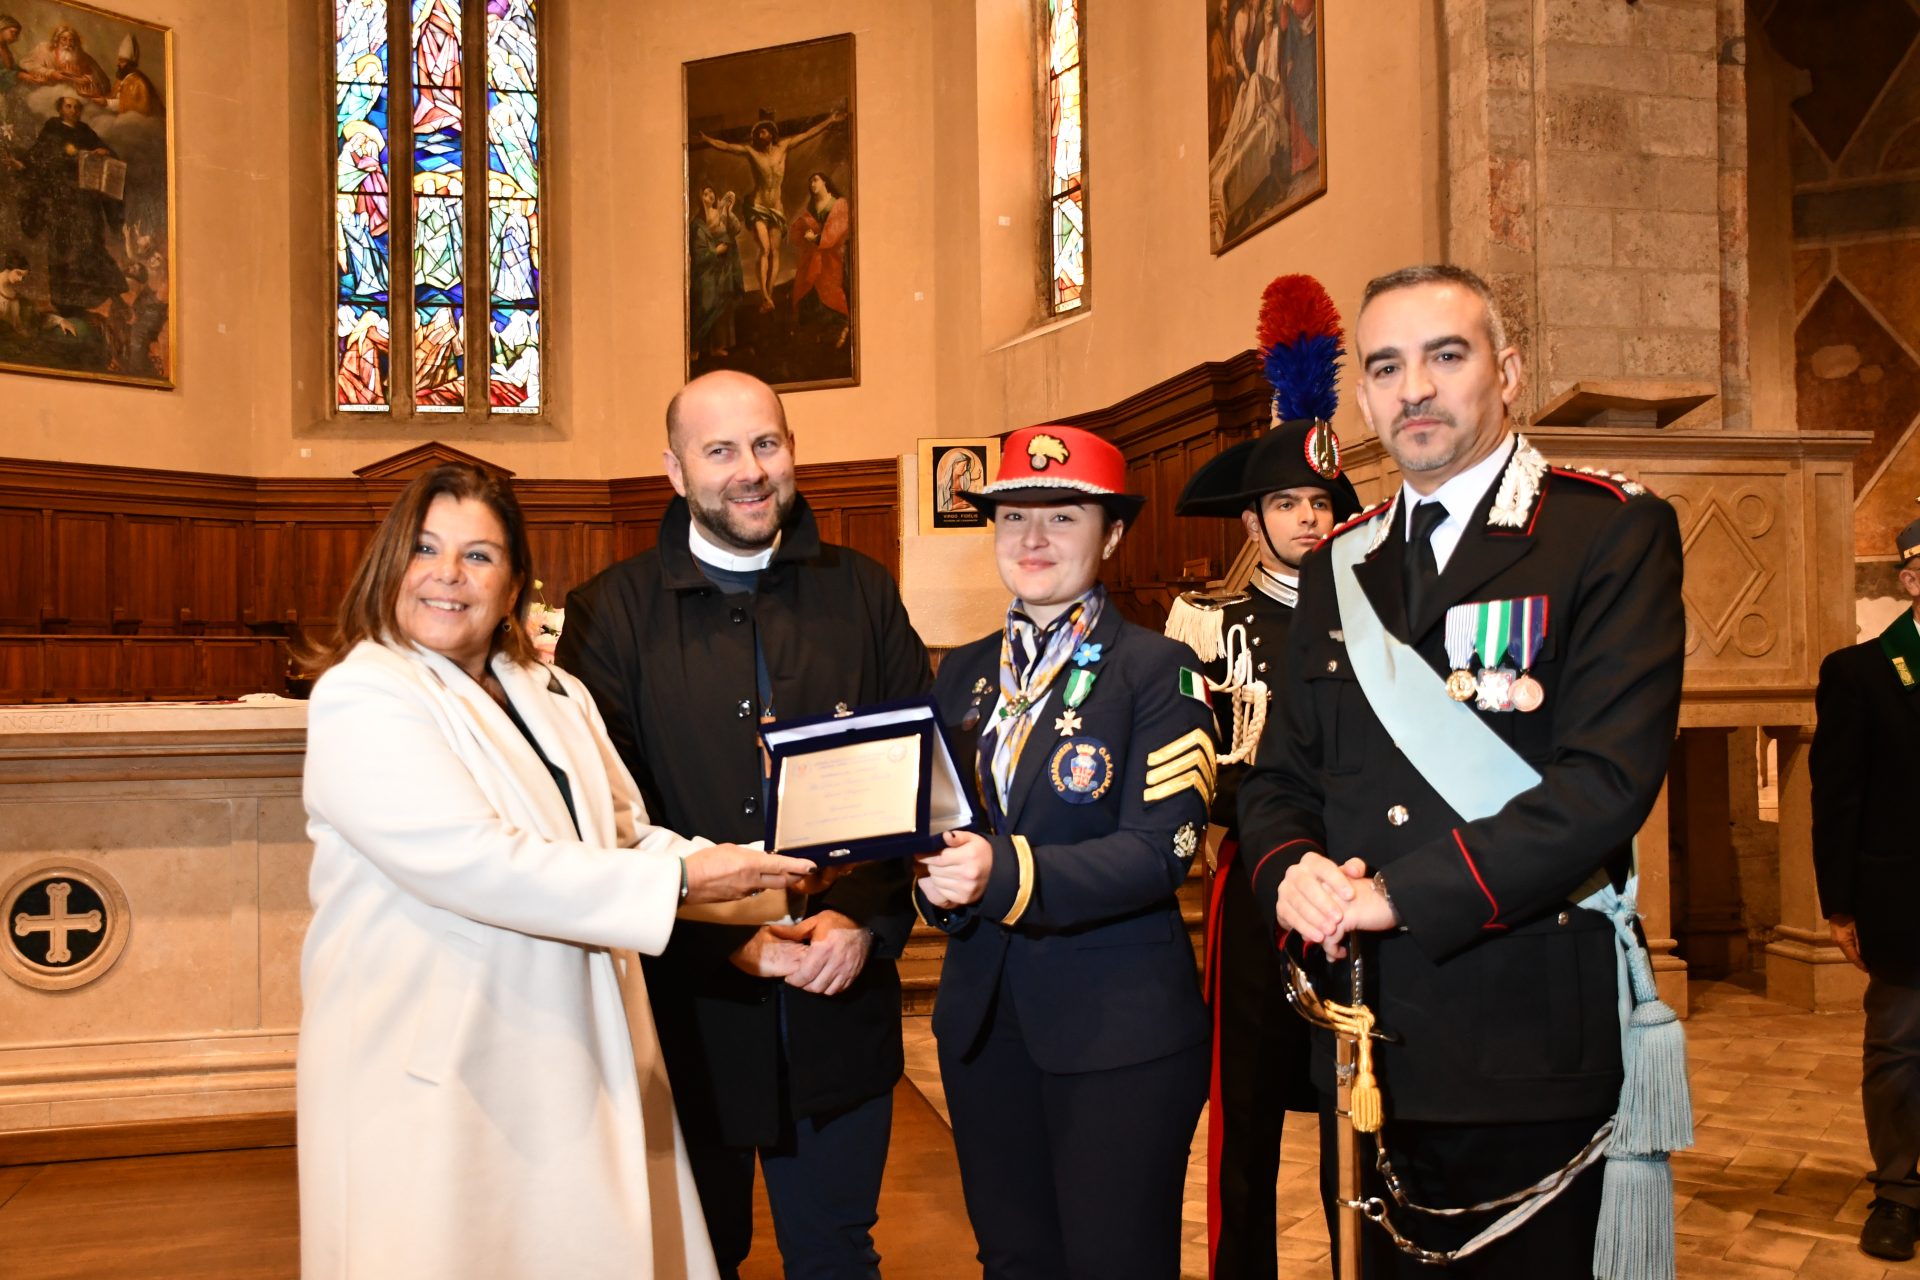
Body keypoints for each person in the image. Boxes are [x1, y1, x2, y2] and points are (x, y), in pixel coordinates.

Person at [1238, 264, 1686, 1277]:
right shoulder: (1338, 562)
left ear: (1508, 372)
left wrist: (1400, 893)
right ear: (1363, 399)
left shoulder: (1604, 529)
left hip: (1523, 1034)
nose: (1416, 390)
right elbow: (1278, 779)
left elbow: (1603, 786)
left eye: (1448, 355)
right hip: (1365, 1034)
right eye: (1387, 366)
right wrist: (1289, 868)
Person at [295, 461, 818, 1278]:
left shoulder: (550, 689)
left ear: (513, 588)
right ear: (388, 563)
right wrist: (682, 884)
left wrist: (757, 876)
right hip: (437, 1060)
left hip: (571, 1038)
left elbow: (621, 834)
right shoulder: (364, 695)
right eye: (425, 548)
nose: (446, 575)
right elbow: (476, 864)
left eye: (478, 556)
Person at [557, 369, 929, 1280]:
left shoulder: (865, 593)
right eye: (719, 451)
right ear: (675, 471)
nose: (749, 471)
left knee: (837, 1253)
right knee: (690, 1258)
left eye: (767, 444)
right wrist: (726, 942)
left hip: (836, 998)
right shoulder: (610, 613)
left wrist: (866, 924)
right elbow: (599, 821)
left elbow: (918, 789)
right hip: (687, 1007)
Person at [915, 423, 1214, 1279]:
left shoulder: (1161, 671)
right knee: (1012, 1260)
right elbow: (938, 828)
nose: (1032, 540)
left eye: (1063, 518)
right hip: (982, 1024)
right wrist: (931, 885)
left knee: (1114, 1263)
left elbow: (1162, 851)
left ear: (1112, 535)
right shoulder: (962, 674)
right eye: (1013, 519)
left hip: (1116, 1032)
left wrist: (998, 872)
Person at [1172, 392, 1360, 1276]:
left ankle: (1359, 1257)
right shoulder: (1211, 620)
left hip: (1362, 882)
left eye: (1321, 504)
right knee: (1243, 1100)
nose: (1308, 519)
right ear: (1253, 519)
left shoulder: (1375, 613)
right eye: (1287, 505)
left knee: (1355, 1101)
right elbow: (1195, 766)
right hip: (1255, 884)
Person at [1809, 519, 1920, 1263]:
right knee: (1901, 1047)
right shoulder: (1862, 672)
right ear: (1912, 577)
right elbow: (1838, 797)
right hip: (1905, 895)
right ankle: (1900, 1193)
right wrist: (1840, 902)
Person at [698, 106, 847, 312]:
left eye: (764, 131)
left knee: (775, 251)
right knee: (765, 249)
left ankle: (769, 296)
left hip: (776, 208)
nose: (761, 134)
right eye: (758, 132)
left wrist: (830, 120)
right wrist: (707, 140)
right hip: (758, 206)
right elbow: (727, 146)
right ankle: (765, 295)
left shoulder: (784, 147)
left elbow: (807, 133)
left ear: (772, 133)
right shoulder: (752, 152)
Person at [17, 96, 123, 316]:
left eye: (76, 107)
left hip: (85, 201)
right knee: (62, 249)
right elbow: (37, 157)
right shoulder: (52, 128)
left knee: (89, 243)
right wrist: (26, 164)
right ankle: (63, 301)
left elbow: (108, 152)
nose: (73, 110)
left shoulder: (85, 131)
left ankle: (91, 298)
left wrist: (103, 152)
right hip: (61, 201)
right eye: (68, 106)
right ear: (60, 109)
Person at [789, 171, 850, 347]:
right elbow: (796, 233)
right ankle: (816, 337)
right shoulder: (811, 208)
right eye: (810, 182)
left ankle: (841, 329)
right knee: (810, 292)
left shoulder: (839, 204)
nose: (812, 184)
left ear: (825, 182)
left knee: (831, 291)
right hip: (813, 258)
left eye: (815, 180)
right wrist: (805, 237)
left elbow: (837, 230)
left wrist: (816, 239)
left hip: (832, 258)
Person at [691, 186, 744, 359]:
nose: (710, 196)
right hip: (709, 267)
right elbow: (700, 244)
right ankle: (697, 347)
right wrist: (716, 250)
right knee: (707, 304)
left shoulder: (720, 212)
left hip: (725, 265)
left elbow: (736, 230)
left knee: (723, 305)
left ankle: (717, 346)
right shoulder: (699, 220)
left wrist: (728, 211)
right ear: (700, 198)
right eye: (705, 194)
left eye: (711, 192)